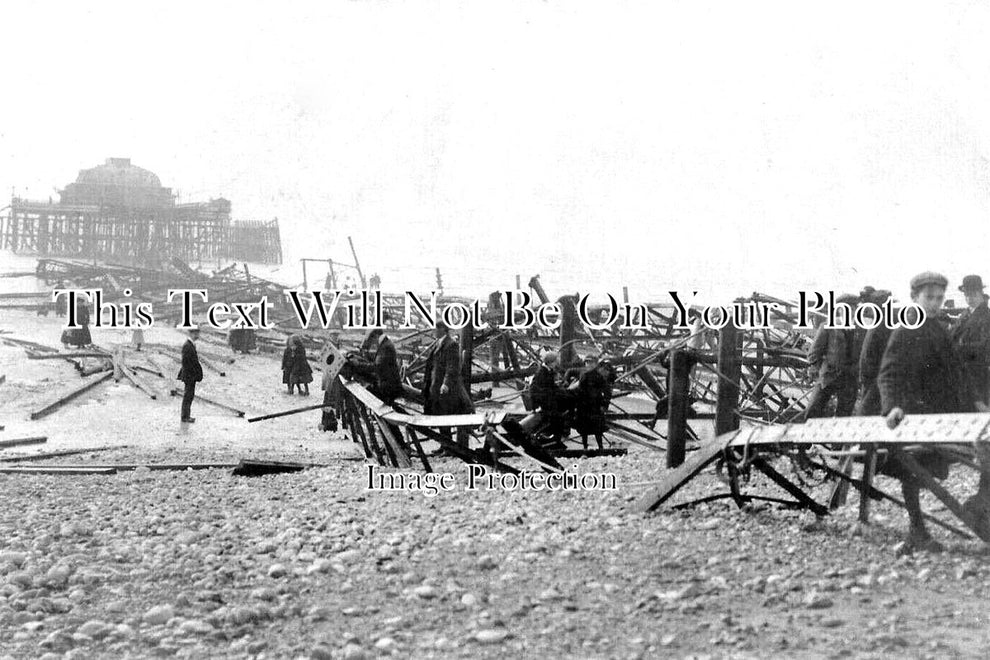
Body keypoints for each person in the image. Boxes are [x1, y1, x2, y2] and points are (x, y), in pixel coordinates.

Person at [878, 272, 989, 552]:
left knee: (984, 447)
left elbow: (959, 371)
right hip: (917, 414)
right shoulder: (905, 329)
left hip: (948, 413)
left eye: (940, 298)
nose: (936, 303)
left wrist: (976, 402)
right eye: (930, 298)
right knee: (913, 471)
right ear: (915, 298)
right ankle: (918, 530)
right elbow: (889, 372)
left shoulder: (938, 328)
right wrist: (892, 406)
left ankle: (980, 502)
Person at [802, 293, 862, 419]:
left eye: (854, 308)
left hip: (850, 380)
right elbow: (813, 354)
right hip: (829, 377)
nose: (851, 311)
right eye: (848, 308)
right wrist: (823, 369)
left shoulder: (861, 330)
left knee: (844, 417)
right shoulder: (828, 327)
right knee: (812, 410)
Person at [422, 320, 474, 448]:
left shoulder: (451, 345)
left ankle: (448, 446)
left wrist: (445, 384)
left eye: (436, 329)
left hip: (445, 389)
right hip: (435, 387)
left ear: (443, 329)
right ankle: (444, 445)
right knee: (440, 417)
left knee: (445, 417)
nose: (434, 331)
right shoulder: (438, 343)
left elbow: (452, 367)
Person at [952, 275, 990, 406]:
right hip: (962, 371)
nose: (969, 298)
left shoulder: (986, 316)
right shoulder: (965, 314)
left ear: (980, 293)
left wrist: (959, 348)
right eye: (966, 294)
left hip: (977, 371)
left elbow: (985, 345)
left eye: (973, 294)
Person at [854, 289, 893, 416]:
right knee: (867, 413)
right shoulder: (883, 324)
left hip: (873, 376)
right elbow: (869, 354)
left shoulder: (878, 323)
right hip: (876, 377)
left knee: (869, 411)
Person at [350, 329, 403, 403]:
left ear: (375, 336)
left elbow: (377, 367)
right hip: (389, 385)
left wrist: (358, 364)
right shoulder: (385, 344)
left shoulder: (385, 347)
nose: (373, 344)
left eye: (372, 341)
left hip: (388, 389)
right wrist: (365, 357)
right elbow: (379, 363)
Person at [573, 358, 614, 452]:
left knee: (597, 429)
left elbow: (607, 392)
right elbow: (580, 391)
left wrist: (604, 405)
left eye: (590, 363)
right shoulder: (583, 375)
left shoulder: (599, 377)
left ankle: (600, 447)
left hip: (595, 406)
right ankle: (585, 447)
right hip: (584, 405)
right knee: (584, 429)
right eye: (587, 363)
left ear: (595, 364)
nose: (588, 365)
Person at [177, 326, 204, 423]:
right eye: (196, 333)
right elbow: (187, 363)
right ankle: (185, 417)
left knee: (189, 396)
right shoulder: (188, 346)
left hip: (190, 375)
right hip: (189, 376)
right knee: (188, 396)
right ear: (192, 334)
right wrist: (193, 374)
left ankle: (186, 416)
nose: (198, 335)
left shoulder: (190, 345)